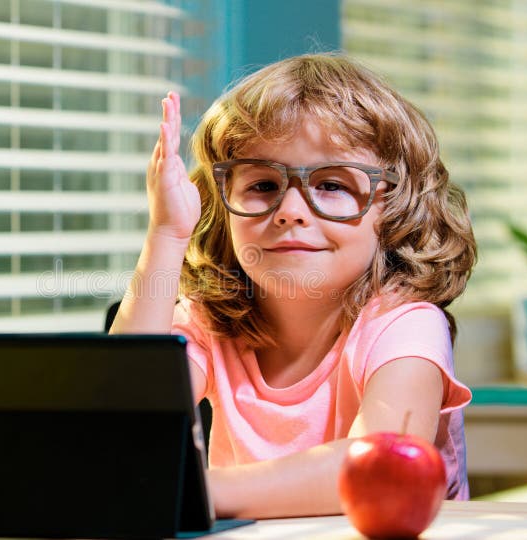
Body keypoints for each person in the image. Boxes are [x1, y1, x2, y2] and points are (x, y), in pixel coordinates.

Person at [109, 53, 477, 519]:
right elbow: (122, 413)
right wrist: (167, 233)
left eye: (331, 184)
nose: (290, 210)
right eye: (263, 185)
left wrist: (192, 490)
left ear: (394, 209)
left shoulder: (405, 326)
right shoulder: (210, 322)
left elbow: (376, 466)